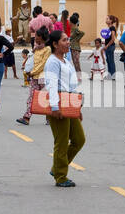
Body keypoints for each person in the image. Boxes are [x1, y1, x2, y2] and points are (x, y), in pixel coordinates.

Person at [45, 30, 85, 187]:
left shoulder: (66, 62)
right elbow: (52, 85)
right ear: (55, 44)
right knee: (61, 141)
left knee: (79, 139)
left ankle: (56, 167)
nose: (68, 42)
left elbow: (72, 85)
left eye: (68, 39)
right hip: (58, 102)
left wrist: (77, 108)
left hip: (69, 101)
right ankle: (60, 176)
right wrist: (54, 107)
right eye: (64, 40)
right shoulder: (52, 62)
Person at [17, 29, 52, 126]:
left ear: (42, 37)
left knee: (45, 98)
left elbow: (43, 64)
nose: (35, 37)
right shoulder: (36, 48)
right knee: (31, 97)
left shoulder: (47, 49)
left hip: (43, 77)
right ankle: (26, 117)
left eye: (37, 36)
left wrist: (32, 72)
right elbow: (31, 60)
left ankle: (49, 118)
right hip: (34, 77)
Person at [101, 15, 118, 80]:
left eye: (107, 19)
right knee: (108, 61)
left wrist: (107, 46)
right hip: (108, 46)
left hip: (110, 47)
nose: (106, 20)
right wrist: (104, 43)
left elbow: (113, 39)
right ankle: (110, 75)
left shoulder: (112, 28)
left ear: (111, 21)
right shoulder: (109, 28)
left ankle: (112, 76)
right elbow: (109, 38)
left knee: (111, 61)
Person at [68, 12, 82, 76]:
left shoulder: (75, 28)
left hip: (75, 47)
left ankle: (78, 74)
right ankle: (77, 74)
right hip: (73, 46)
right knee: (75, 61)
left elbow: (82, 33)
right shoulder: (73, 28)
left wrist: (75, 39)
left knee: (76, 61)